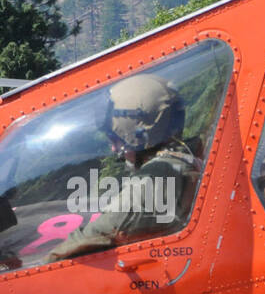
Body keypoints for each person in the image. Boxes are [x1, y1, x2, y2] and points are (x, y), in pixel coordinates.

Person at [46, 74, 200, 262]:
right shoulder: (189, 156)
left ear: (138, 135)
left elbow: (82, 243)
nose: (113, 148)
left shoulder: (154, 180)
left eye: (115, 139)